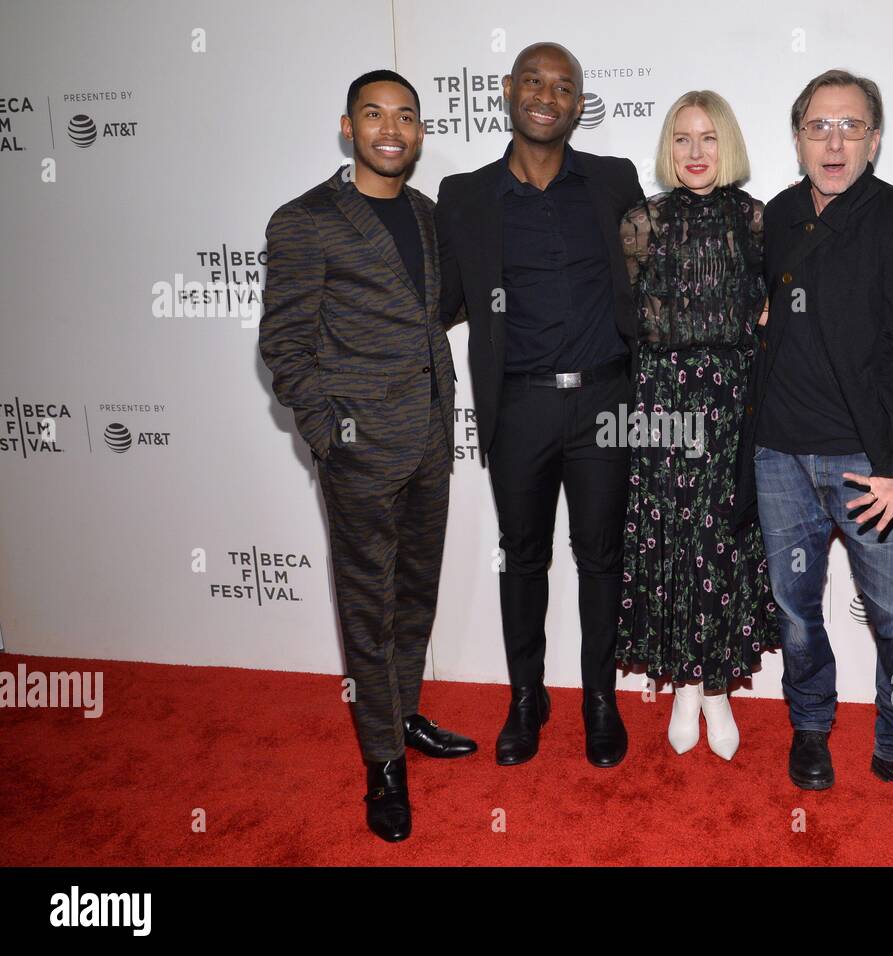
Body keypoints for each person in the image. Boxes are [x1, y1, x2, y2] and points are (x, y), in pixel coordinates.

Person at [735, 69, 893, 825]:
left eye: (850, 126)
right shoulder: (778, 216)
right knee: (795, 611)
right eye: (818, 127)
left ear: (874, 138)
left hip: (867, 464)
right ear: (797, 137)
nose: (834, 142)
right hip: (777, 456)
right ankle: (809, 729)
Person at [259, 70, 476, 843]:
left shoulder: (426, 214)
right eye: (375, 115)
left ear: (420, 132)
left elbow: (436, 313)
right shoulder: (305, 221)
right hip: (358, 455)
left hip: (428, 443)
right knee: (367, 612)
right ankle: (382, 763)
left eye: (406, 116)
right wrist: (328, 437)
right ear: (348, 127)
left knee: (415, 596)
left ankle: (406, 713)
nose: (392, 128)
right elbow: (283, 347)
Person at [435, 43, 645, 768]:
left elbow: (656, 276)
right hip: (518, 407)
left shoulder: (615, 182)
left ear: (580, 103)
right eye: (534, 81)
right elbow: (435, 301)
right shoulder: (464, 195)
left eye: (564, 86)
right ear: (507, 90)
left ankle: (599, 699)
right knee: (521, 558)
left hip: (606, 402)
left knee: (601, 559)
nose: (548, 95)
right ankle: (526, 698)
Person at [615, 91, 779, 760]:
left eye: (708, 138)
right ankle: (684, 684)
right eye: (682, 139)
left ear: (728, 144)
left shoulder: (758, 222)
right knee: (673, 536)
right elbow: (627, 326)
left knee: (722, 541)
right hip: (662, 405)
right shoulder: (641, 224)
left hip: (733, 404)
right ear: (667, 147)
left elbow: (776, 313)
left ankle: (716, 689)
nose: (695, 152)